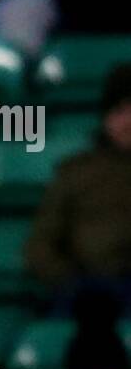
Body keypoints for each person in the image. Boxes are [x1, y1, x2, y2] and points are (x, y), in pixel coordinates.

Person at [27, 64, 131, 315]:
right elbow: (40, 245)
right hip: (87, 290)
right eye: (120, 110)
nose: (129, 120)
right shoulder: (74, 173)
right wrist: (70, 282)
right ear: (106, 117)